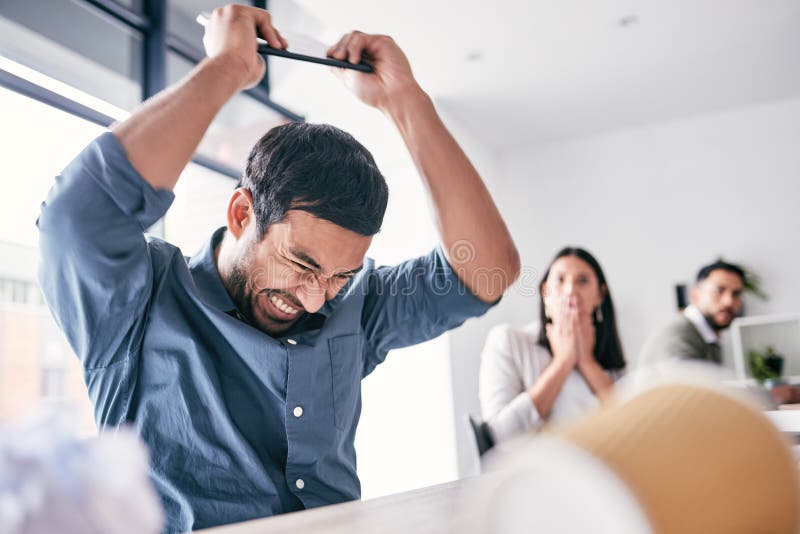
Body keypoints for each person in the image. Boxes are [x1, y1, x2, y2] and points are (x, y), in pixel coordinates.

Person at [36, 5, 520, 532]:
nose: (315, 299)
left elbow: (488, 271)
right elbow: (76, 217)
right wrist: (227, 69)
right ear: (243, 213)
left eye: (339, 277)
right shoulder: (137, 300)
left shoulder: (354, 306)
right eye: (301, 263)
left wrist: (406, 101)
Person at [479, 247, 625, 443]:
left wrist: (587, 362)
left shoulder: (608, 358)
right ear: (545, 292)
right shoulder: (508, 341)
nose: (570, 290)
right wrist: (562, 362)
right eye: (560, 280)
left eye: (582, 280)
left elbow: (634, 425)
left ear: (600, 294)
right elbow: (498, 437)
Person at [639, 260, 799, 404]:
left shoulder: (707, 336)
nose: (729, 301)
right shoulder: (678, 333)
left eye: (736, 294)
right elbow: (695, 393)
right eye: (719, 290)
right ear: (695, 296)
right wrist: (771, 395)